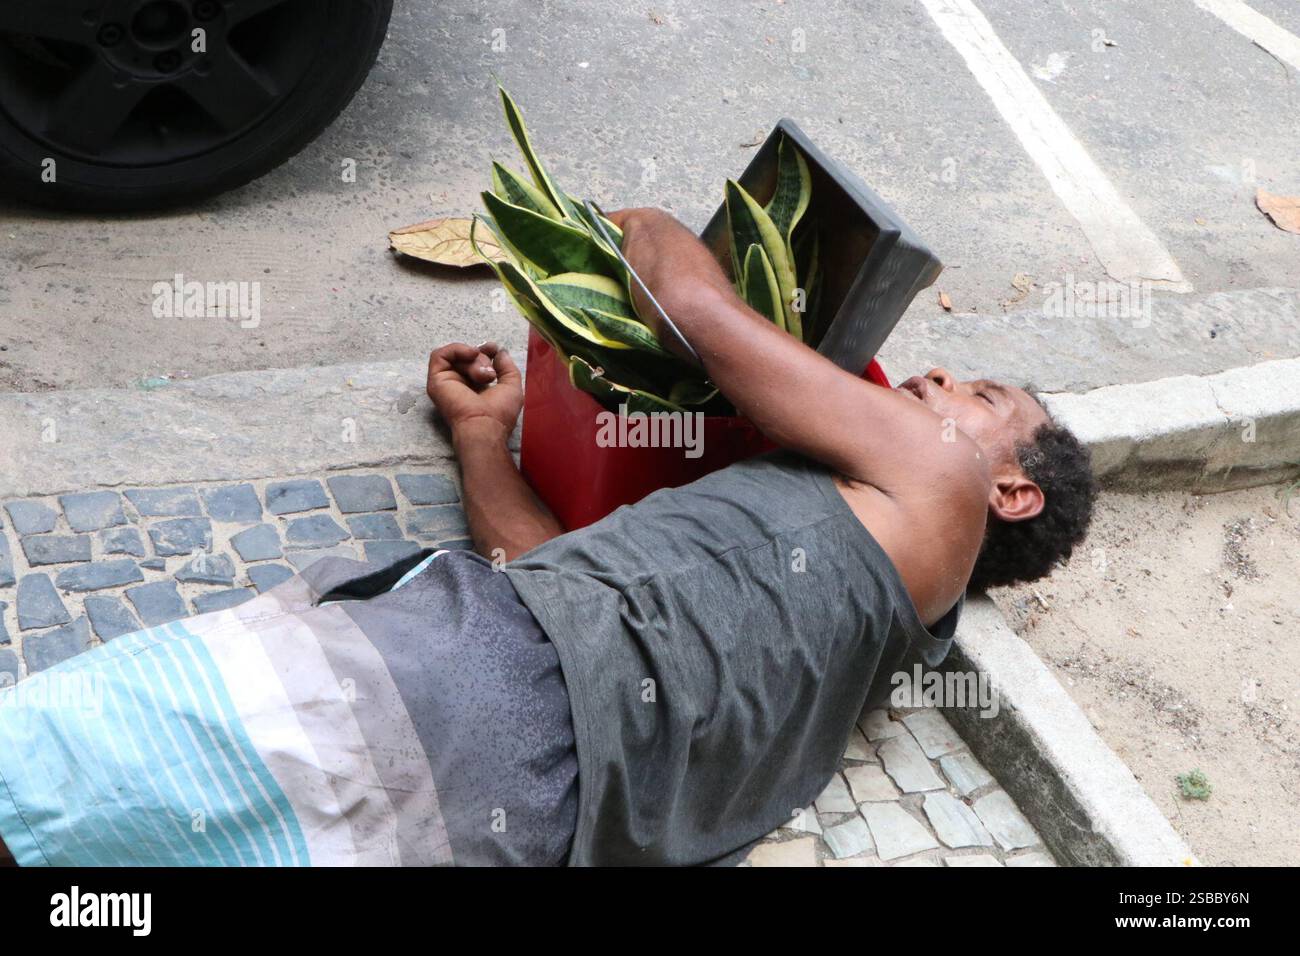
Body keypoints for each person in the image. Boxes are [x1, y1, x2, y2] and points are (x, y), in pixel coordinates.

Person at [0, 208, 1094, 867]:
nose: (941, 374)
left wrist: (645, 224)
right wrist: (486, 439)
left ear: (1008, 493)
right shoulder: (862, 594)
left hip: (459, 682)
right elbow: (557, 574)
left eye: (982, 390)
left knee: (63, 759)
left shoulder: (936, 479)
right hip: (521, 805)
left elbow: (699, 316)